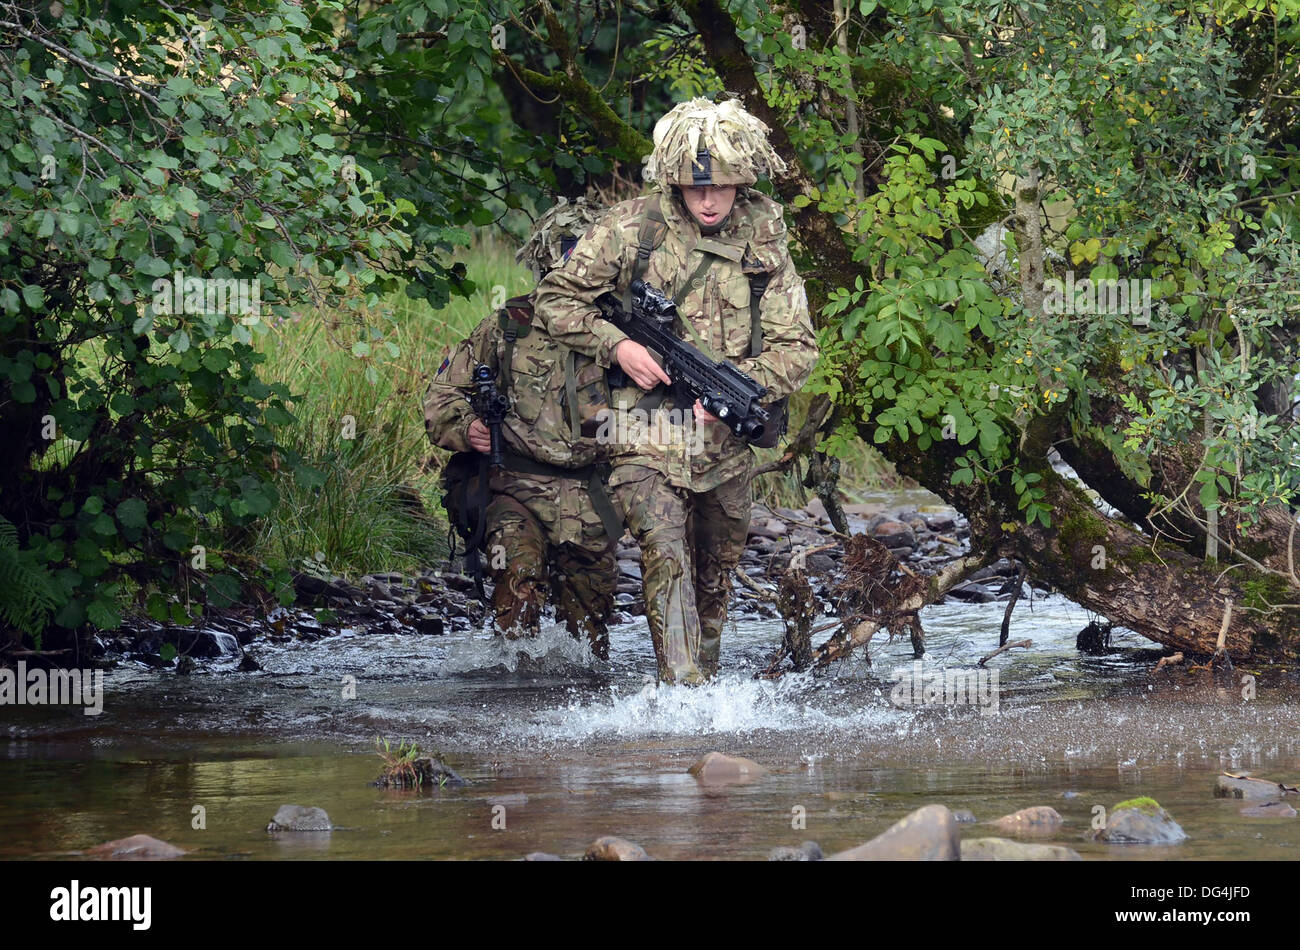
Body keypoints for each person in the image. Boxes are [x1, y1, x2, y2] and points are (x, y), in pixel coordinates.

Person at [534, 97, 818, 684]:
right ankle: (681, 695)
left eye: (721, 188)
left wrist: (741, 390)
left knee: (716, 577)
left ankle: (703, 690)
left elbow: (799, 349)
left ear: (742, 181)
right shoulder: (631, 230)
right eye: (695, 189)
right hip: (640, 435)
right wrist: (618, 347)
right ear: (675, 184)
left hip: (724, 449)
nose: (708, 201)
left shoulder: (764, 243)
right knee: (667, 558)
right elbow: (554, 300)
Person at [422, 197, 624, 658]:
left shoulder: (624, 333)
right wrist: (468, 426)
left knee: (588, 640)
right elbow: (441, 398)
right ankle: (507, 697)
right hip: (514, 486)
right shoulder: (508, 327)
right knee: (518, 578)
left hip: (591, 500)